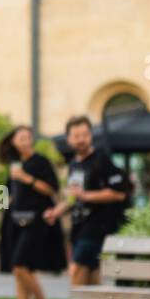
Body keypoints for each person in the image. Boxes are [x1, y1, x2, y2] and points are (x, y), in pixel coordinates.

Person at [44, 116, 130, 287]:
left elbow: (119, 194)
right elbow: (72, 197)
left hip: (97, 227)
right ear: (69, 139)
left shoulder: (101, 160)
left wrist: (85, 196)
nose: (81, 139)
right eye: (76, 136)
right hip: (79, 228)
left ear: (91, 135)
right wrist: (56, 212)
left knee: (76, 270)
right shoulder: (74, 164)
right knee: (91, 276)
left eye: (85, 134)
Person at [0, 125, 63, 299]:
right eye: (20, 138)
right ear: (14, 142)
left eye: (27, 137)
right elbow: (4, 192)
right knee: (20, 269)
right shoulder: (14, 165)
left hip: (37, 220)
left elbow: (52, 189)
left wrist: (27, 178)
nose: (24, 141)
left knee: (19, 264)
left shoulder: (40, 162)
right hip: (15, 221)